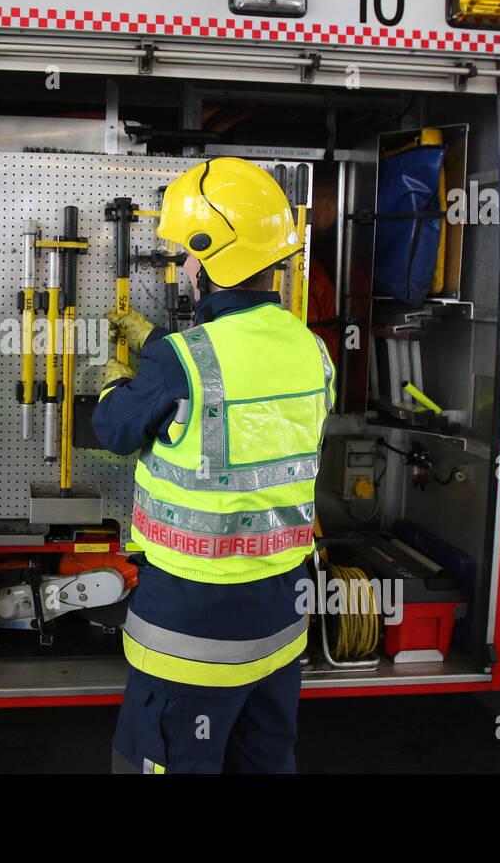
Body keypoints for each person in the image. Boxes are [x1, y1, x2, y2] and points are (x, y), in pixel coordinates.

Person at [93, 157, 335, 774]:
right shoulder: (313, 351)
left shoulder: (182, 360)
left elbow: (116, 427)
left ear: (211, 256)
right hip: (279, 625)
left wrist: (110, 378)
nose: (183, 265)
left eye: (187, 253)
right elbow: (228, 386)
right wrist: (156, 348)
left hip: (191, 633)